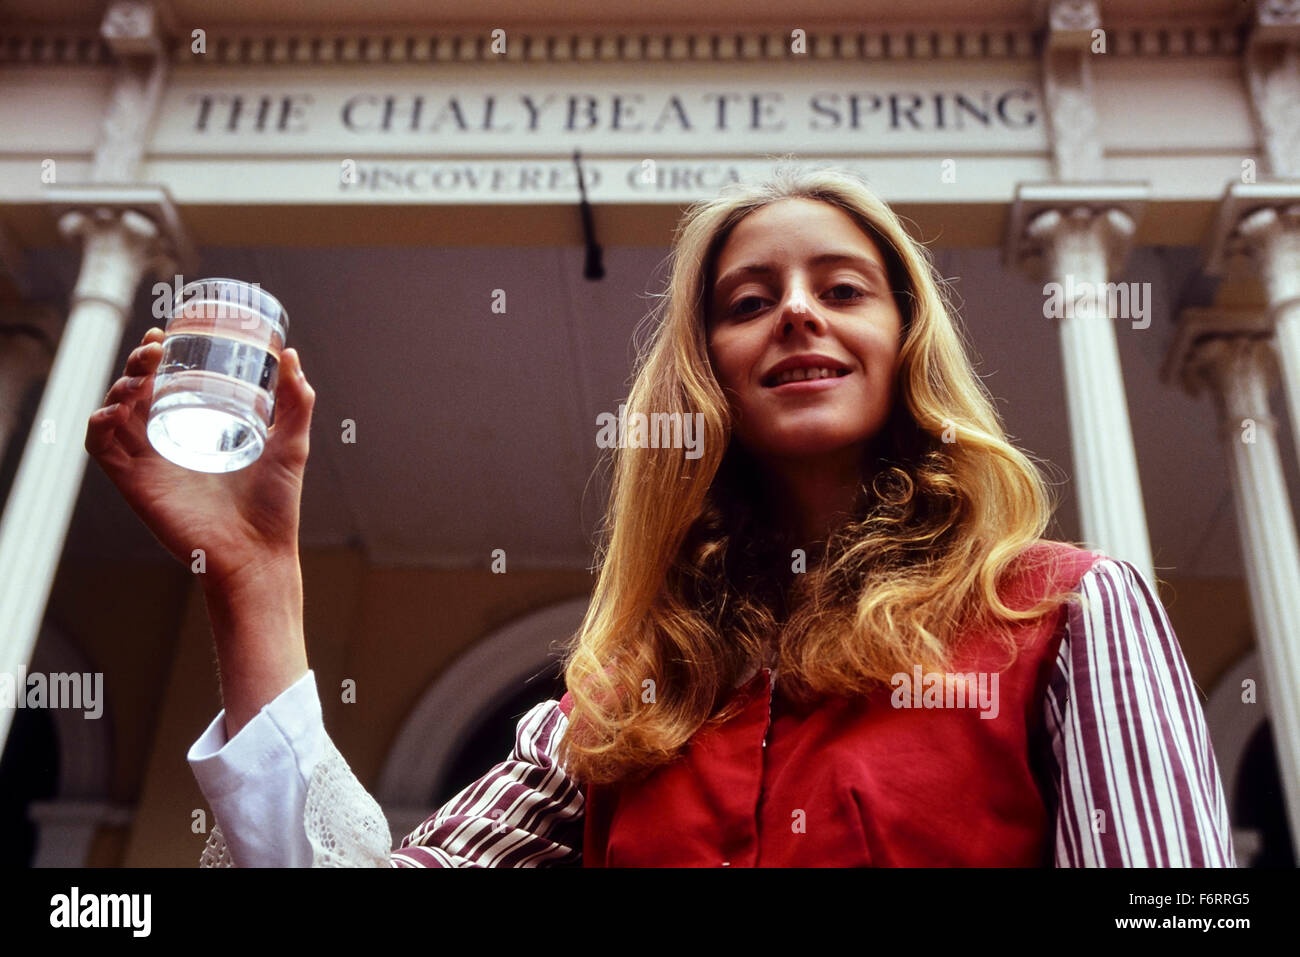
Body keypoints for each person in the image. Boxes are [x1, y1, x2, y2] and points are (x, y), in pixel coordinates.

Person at [86, 165, 1236, 867]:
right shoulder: (624, 709)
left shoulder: (1067, 610)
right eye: (749, 302)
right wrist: (253, 576)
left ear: (906, 346)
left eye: (841, 289)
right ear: (706, 374)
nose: (796, 314)